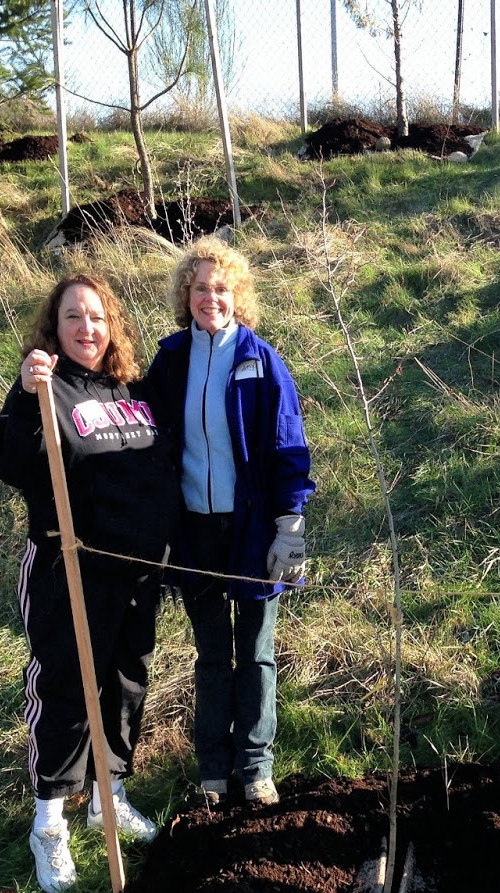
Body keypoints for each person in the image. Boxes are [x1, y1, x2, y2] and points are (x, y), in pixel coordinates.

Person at [0, 273, 179, 893]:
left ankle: (107, 796)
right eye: (73, 317)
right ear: (55, 326)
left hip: (137, 572)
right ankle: (49, 822)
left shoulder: (131, 390)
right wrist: (26, 394)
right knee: (68, 687)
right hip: (69, 570)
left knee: (125, 681)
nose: (86, 328)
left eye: (96, 317)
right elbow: (12, 463)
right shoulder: (47, 387)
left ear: (111, 325)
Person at [146, 238, 315, 808]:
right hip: (195, 532)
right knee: (212, 655)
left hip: (253, 531)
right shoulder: (170, 360)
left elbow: (289, 445)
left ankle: (257, 768)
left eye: (221, 288)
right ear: (185, 294)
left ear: (237, 294)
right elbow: (150, 446)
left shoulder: (262, 360)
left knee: (257, 653)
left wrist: (289, 526)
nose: (210, 298)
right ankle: (213, 773)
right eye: (200, 288)